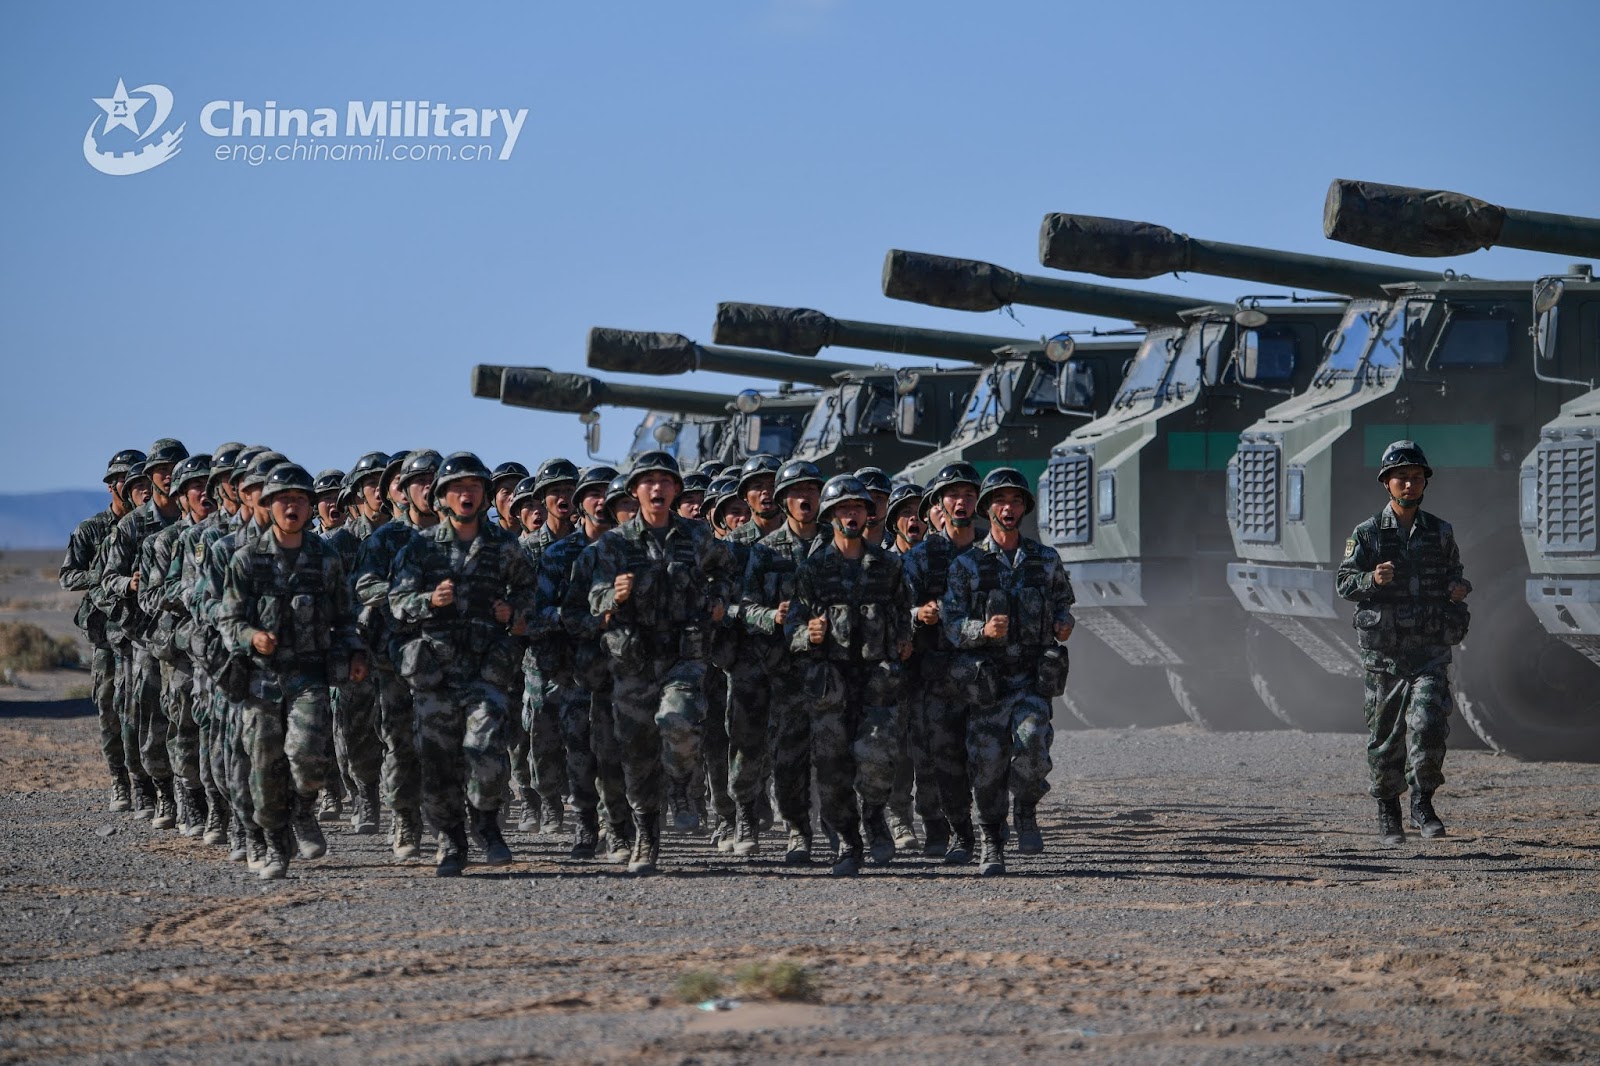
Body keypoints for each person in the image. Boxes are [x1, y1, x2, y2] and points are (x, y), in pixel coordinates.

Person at [585, 451, 738, 875]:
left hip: (682, 656)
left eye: (665, 481)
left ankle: (682, 784)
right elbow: (592, 598)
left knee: (680, 720)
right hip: (632, 659)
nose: (657, 488)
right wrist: (612, 595)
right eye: (648, 481)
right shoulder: (614, 543)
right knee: (635, 753)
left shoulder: (697, 536)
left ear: (675, 490)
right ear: (635, 492)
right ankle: (646, 836)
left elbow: (725, 572)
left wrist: (718, 602)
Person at [217, 463, 366, 880]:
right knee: (264, 767)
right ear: (268, 505)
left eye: (300, 499)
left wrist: (354, 653)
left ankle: (304, 809)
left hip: (309, 675)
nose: (293, 507)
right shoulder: (247, 560)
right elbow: (228, 620)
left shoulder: (325, 557)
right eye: (284, 500)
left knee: (307, 756)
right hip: (260, 680)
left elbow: (346, 615)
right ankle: (276, 846)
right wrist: (251, 637)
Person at [389, 452, 535, 876]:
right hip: (436, 672)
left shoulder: (503, 546)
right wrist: (427, 602)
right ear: (442, 497)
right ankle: (450, 839)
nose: (466, 494)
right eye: (457, 488)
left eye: (473, 487)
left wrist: (514, 611)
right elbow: (396, 602)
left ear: (484, 496)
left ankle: (487, 823)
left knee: (486, 750)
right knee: (436, 763)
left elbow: (529, 592)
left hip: (486, 669)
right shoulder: (420, 547)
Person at [1336, 440, 1471, 845]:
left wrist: (1457, 588)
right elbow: (1344, 582)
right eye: (1401, 478)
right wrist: (1371, 580)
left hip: (1429, 648)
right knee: (1386, 736)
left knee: (1430, 725)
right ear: (1387, 484)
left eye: (1416, 477)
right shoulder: (1367, 533)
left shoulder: (1440, 531)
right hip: (1386, 654)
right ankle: (1387, 809)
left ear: (1424, 482)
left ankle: (1423, 804)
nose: (1409, 484)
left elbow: (1455, 573)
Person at [942, 467, 1075, 876]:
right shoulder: (967, 565)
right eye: (1000, 501)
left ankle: (1027, 809)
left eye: (1016, 501)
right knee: (987, 767)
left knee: (1033, 743)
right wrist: (980, 630)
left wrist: (1063, 622)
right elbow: (951, 623)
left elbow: (1063, 602)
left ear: (1024, 509)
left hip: (1032, 680)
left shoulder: (1045, 558)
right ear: (988, 509)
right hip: (987, 684)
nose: (1008, 507)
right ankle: (991, 843)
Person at [785, 474, 914, 875]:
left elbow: (902, 615)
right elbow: (792, 628)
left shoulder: (888, 566)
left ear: (867, 516)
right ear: (830, 515)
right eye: (843, 509)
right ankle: (848, 841)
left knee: (878, 759)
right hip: (830, 685)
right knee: (831, 770)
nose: (851, 515)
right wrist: (809, 633)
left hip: (876, 683)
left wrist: (903, 642)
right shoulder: (812, 570)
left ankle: (874, 815)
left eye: (857, 508)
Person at [734, 459, 827, 861]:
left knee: (831, 749)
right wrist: (771, 616)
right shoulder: (761, 551)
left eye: (811, 490)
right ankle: (753, 817)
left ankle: (840, 826)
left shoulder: (837, 541)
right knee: (760, 747)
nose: (804, 498)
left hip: (829, 664)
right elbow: (743, 604)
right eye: (796, 492)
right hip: (773, 665)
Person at [352, 449, 441, 860]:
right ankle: (405, 817)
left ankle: (447, 821)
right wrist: (408, 598)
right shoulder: (386, 538)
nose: (430, 486)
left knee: (447, 743)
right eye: (420, 480)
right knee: (401, 743)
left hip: (449, 657)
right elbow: (364, 585)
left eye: (435, 478)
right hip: (396, 657)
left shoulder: (461, 534)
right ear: (403, 491)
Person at [98, 438, 190, 829]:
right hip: (144, 634)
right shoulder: (134, 526)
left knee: (186, 715)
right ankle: (157, 790)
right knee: (147, 715)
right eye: (161, 469)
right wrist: (128, 585)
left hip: (189, 635)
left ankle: (192, 792)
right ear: (150, 477)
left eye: (175, 467)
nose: (168, 475)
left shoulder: (198, 519)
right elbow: (106, 580)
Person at [902, 464, 983, 861]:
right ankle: (947, 829)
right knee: (937, 757)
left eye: (969, 494)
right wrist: (919, 615)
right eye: (953, 495)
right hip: (933, 674)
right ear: (937, 504)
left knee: (988, 755)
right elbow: (897, 610)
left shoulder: (992, 553)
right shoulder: (919, 559)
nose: (961, 502)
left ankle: (995, 829)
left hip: (986, 672)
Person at [60, 448, 145, 812]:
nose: (130, 486)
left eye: (137, 479)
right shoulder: (91, 530)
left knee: (145, 709)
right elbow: (68, 576)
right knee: (110, 708)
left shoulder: (148, 526)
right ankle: (119, 781)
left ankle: (148, 781)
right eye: (125, 479)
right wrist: (107, 577)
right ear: (112, 485)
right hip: (106, 633)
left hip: (143, 630)